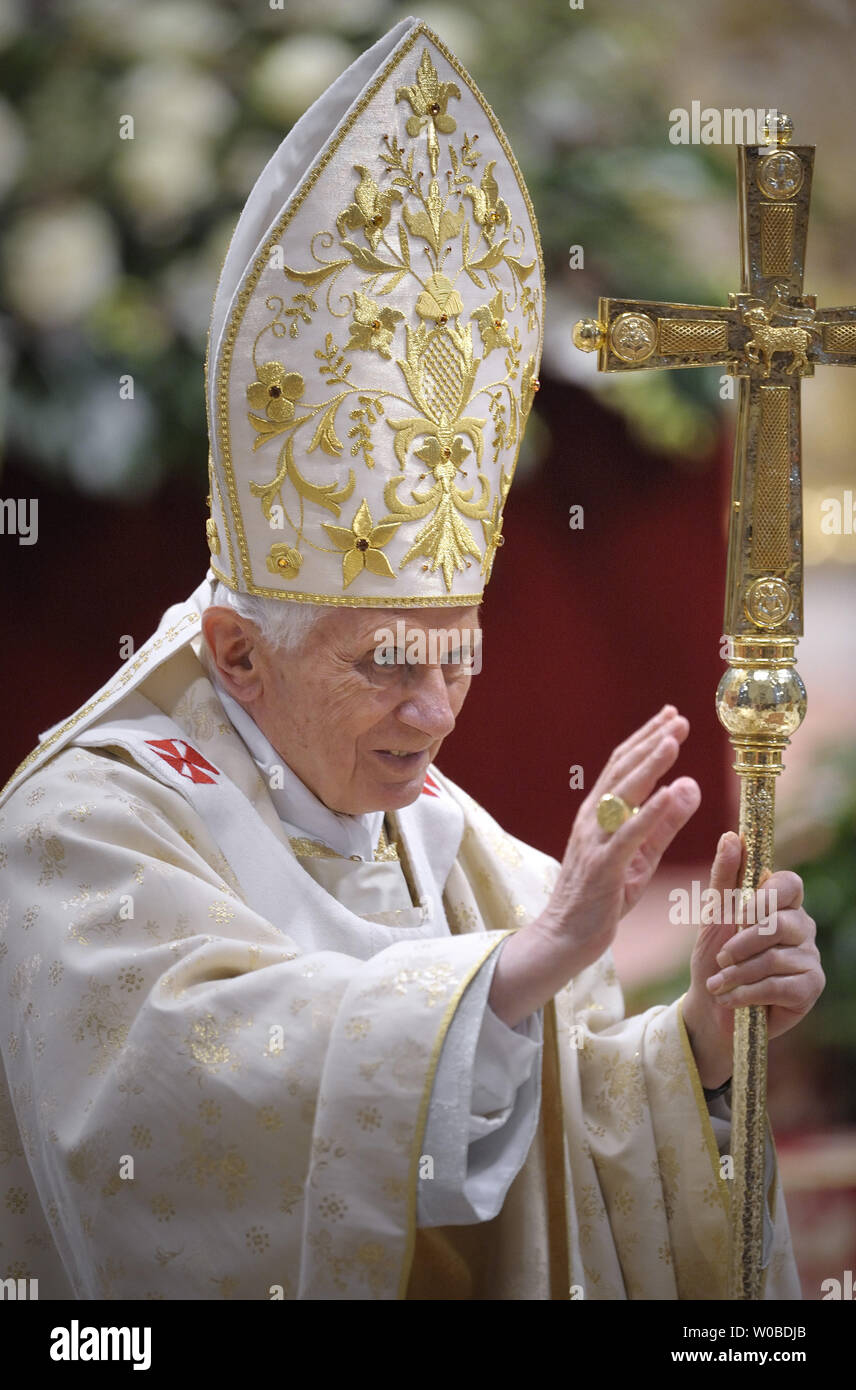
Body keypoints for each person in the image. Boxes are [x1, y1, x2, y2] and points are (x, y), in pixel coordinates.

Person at [0, 17, 822, 1300]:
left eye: (461, 658)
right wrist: (510, 975)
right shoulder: (82, 834)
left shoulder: (450, 844)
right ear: (236, 652)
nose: (435, 716)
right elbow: (177, 1128)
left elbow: (569, 1155)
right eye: (387, 663)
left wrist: (705, 1048)